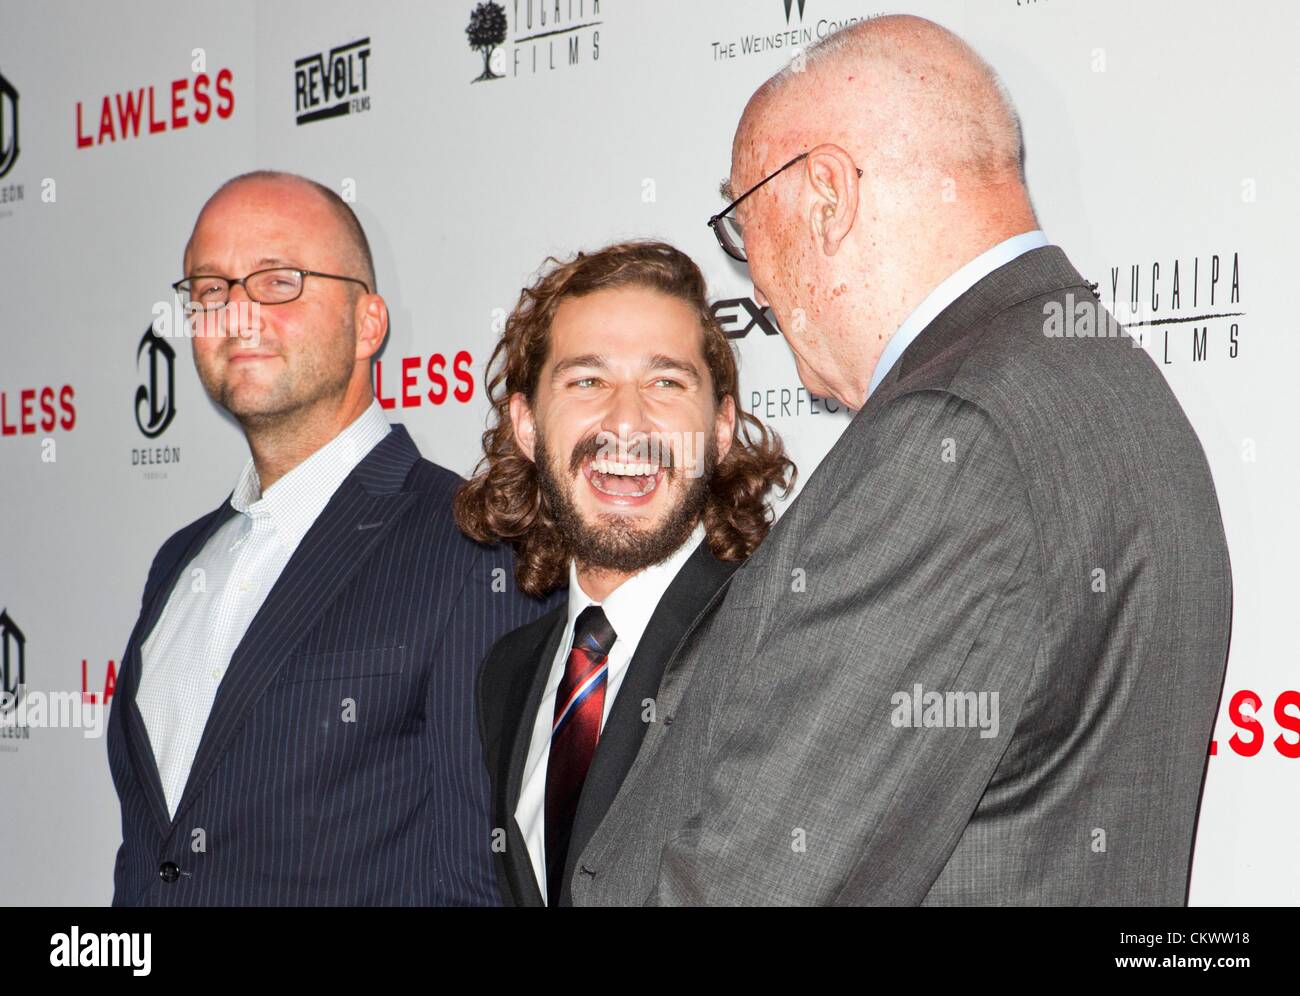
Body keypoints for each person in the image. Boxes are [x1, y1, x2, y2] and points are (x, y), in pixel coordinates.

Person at [570, 16, 1233, 905]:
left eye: (741, 226)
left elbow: (754, 885)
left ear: (827, 196)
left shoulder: (951, 444)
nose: (752, 283)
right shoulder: (1107, 384)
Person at [108, 170, 553, 905]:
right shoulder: (177, 565)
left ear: (368, 323)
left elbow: (486, 882)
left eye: (279, 282)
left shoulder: (472, 547)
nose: (238, 315)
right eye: (210, 289)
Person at [455, 241, 793, 905]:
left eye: (666, 382)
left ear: (721, 427)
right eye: (587, 380)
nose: (626, 422)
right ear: (526, 424)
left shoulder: (779, 636)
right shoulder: (509, 671)